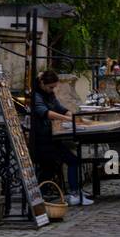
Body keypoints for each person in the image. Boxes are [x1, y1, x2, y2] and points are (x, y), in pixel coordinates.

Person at [31, 70, 92, 206]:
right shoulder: (35, 96)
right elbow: (45, 112)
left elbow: (58, 107)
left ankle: (74, 191)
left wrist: (69, 113)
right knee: (72, 161)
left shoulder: (49, 94)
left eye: (53, 87)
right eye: (50, 87)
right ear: (42, 83)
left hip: (51, 138)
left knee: (63, 163)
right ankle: (74, 193)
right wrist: (67, 118)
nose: (52, 89)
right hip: (42, 140)